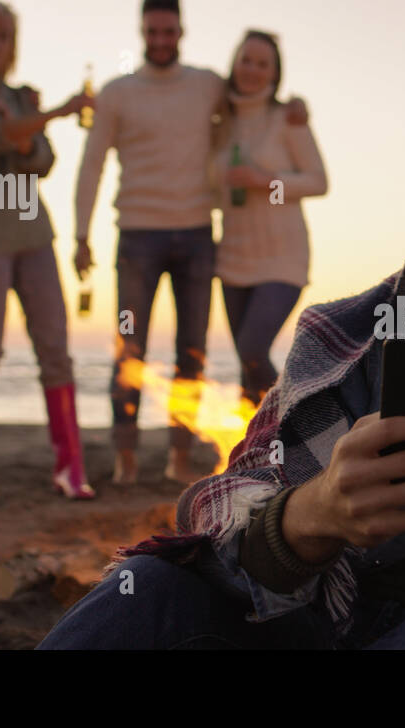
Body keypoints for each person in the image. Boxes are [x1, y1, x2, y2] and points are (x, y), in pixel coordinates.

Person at [40, 89, 405, 650]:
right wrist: (312, 514)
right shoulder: (347, 335)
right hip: (333, 622)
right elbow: (225, 497)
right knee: (148, 583)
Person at [75, 0, 309, 485]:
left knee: (192, 351)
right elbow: (92, 164)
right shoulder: (119, 93)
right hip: (136, 237)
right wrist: (80, 234)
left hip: (199, 239)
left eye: (169, 31)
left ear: (181, 31)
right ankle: (126, 459)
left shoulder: (207, 85)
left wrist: (293, 106)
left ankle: (179, 459)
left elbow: (256, 91)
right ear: (143, 31)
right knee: (129, 348)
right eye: (152, 32)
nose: (161, 39)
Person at [0, 1, 95, 502]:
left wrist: (33, 124)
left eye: (3, 37)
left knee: (55, 349)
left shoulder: (16, 94)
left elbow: (43, 159)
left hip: (34, 233)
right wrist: (54, 112)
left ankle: (70, 466)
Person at [209, 29, 327, 407]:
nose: (253, 70)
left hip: (281, 258)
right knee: (247, 366)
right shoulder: (219, 123)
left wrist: (265, 182)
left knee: (253, 350)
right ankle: (255, 456)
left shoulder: (287, 117)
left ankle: (299, 428)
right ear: (234, 63)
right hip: (232, 259)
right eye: (247, 60)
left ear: (275, 73)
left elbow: (319, 182)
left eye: (263, 64)